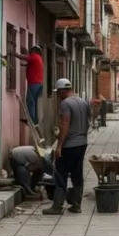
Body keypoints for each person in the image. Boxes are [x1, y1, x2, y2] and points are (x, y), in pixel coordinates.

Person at [43, 78, 91, 215]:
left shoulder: (65, 104)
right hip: (82, 143)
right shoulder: (82, 102)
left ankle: (57, 206)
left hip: (69, 145)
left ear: (63, 91)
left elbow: (65, 124)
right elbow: (88, 121)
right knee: (77, 174)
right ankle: (76, 205)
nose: (57, 95)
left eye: (58, 92)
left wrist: (59, 147)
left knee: (60, 174)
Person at [14, 45, 44, 126]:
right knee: (35, 103)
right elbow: (30, 62)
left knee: (30, 102)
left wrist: (15, 54)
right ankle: (35, 120)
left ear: (34, 51)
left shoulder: (34, 56)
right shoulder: (38, 58)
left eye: (31, 50)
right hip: (38, 83)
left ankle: (32, 120)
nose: (30, 52)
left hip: (34, 83)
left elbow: (25, 58)